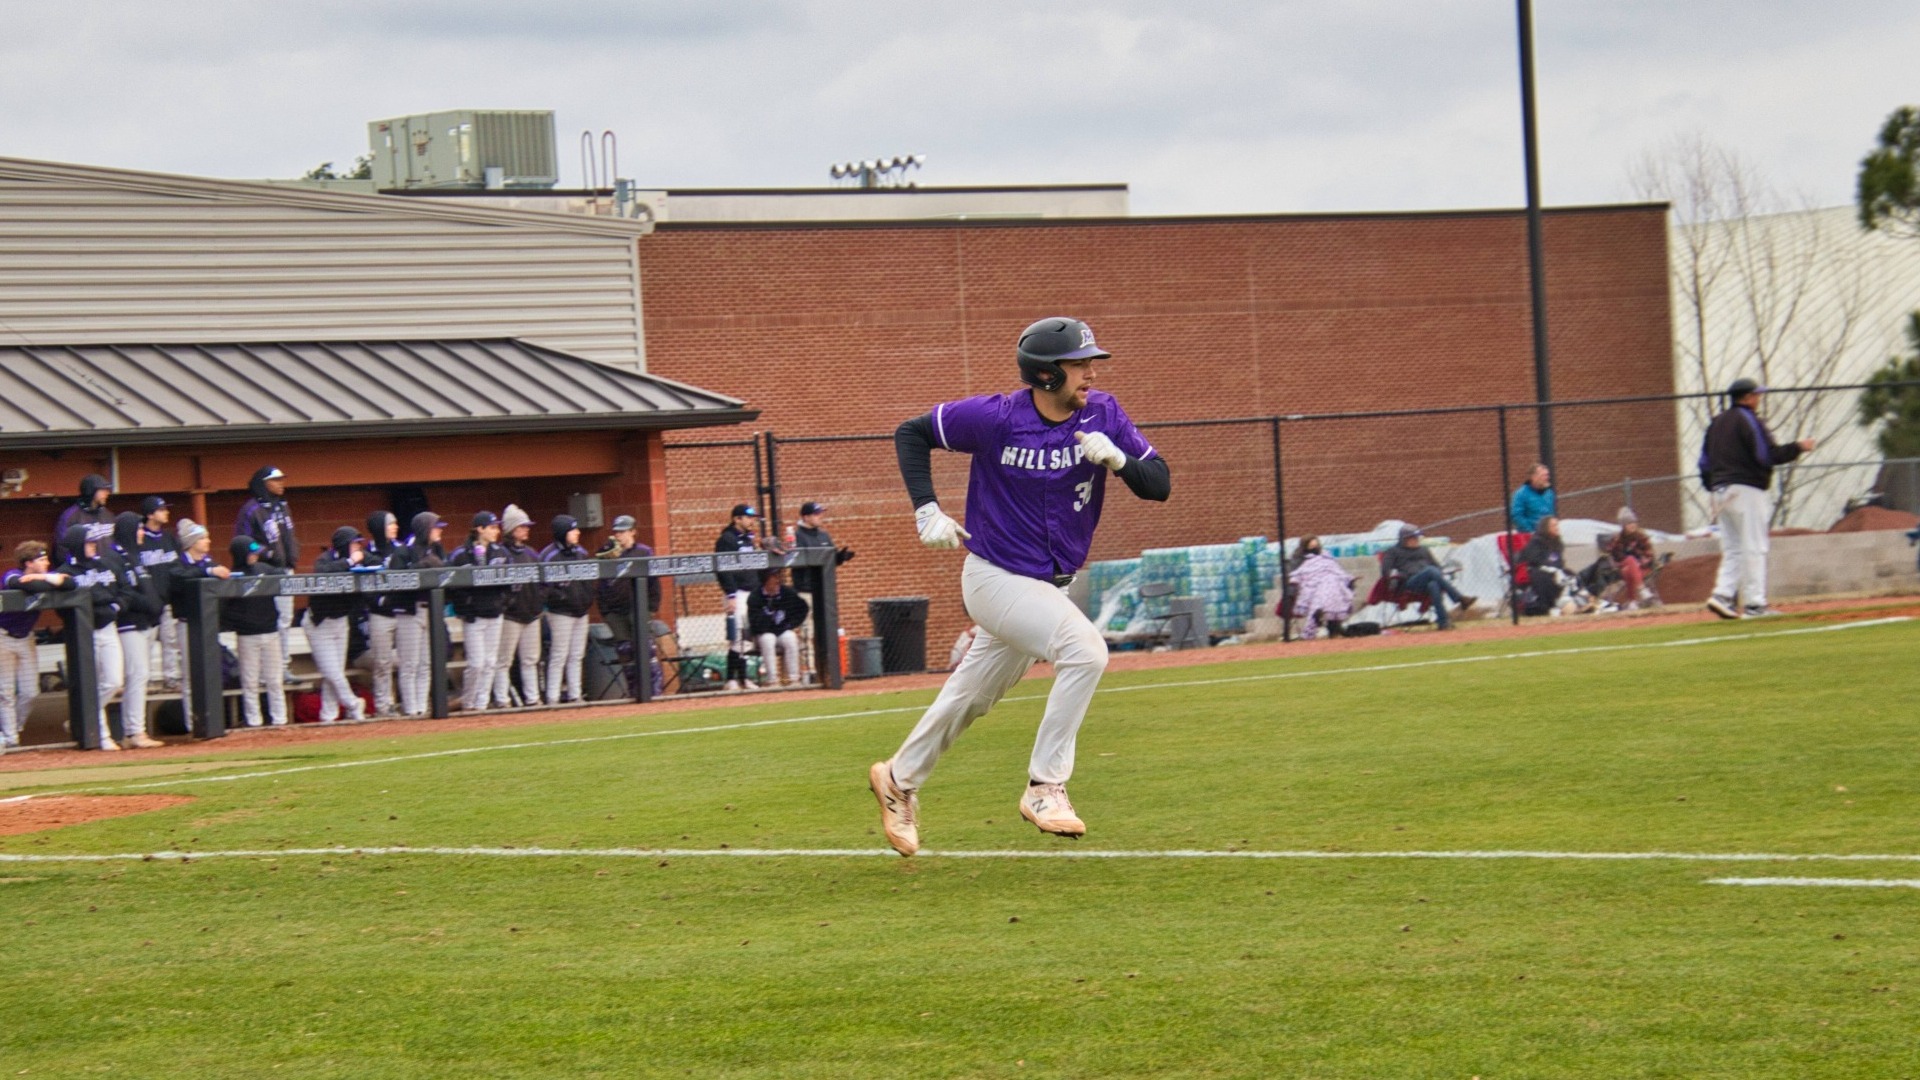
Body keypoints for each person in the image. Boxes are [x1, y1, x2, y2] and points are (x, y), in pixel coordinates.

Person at [869, 315, 1171, 857]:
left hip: (1048, 588)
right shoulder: (997, 417)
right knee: (1086, 652)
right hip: (994, 577)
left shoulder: (1103, 413)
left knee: (971, 698)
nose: (1091, 374)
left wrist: (1120, 460)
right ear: (1046, 373)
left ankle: (898, 779)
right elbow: (911, 432)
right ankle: (1045, 786)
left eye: (1091, 364)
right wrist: (926, 509)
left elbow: (1160, 485)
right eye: (1079, 364)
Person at [1700, 378, 1815, 619]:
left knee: (1733, 547)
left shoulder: (1716, 423)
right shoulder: (1749, 419)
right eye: (1756, 394)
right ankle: (1754, 605)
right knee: (1755, 546)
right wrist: (1798, 447)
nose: (1758, 398)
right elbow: (1766, 455)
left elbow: (1704, 463)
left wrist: (1713, 486)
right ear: (1747, 397)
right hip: (1747, 489)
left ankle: (1722, 595)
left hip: (1721, 491)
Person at [60, 524, 129, 749]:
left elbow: (121, 591)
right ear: (77, 545)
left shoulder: (104, 565)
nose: (92, 546)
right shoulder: (67, 571)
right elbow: (74, 602)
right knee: (93, 683)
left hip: (108, 628)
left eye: (93, 542)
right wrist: (102, 600)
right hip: (84, 632)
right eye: (88, 542)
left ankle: (80, 718)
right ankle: (102, 736)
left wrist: (116, 606)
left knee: (114, 681)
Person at [1, 541, 72, 750]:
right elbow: (20, 584)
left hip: (26, 638)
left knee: (31, 692)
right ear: (28, 563)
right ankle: (10, 737)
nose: (47, 563)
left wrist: (41, 577)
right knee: (5, 691)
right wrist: (50, 580)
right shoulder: (11, 574)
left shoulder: (43, 576)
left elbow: (71, 584)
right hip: (3, 637)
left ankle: (14, 727)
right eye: (41, 560)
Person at [110, 511, 167, 748]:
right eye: (139, 528)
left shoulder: (136, 555)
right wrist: (148, 605)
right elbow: (124, 592)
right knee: (137, 674)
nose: (142, 532)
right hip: (128, 623)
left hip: (147, 623)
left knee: (140, 675)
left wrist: (155, 607)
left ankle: (130, 731)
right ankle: (136, 732)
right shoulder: (115, 556)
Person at [167, 519, 230, 728]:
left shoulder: (209, 561)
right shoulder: (178, 563)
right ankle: (192, 724)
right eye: (203, 538)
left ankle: (214, 720)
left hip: (208, 624)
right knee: (190, 676)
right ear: (192, 542)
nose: (207, 541)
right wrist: (209, 572)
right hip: (187, 624)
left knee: (212, 673)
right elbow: (180, 578)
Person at [234, 466, 300, 664]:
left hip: (285, 569)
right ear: (264, 483)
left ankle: (283, 663)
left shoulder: (282, 506)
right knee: (269, 619)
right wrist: (265, 552)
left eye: (282, 479)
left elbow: (289, 536)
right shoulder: (251, 509)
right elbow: (243, 540)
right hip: (263, 572)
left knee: (285, 618)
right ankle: (271, 664)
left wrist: (293, 553)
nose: (281, 483)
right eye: (276, 480)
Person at [449, 511, 510, 711]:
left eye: (496, 527)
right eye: (491, 527)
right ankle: (468, 702)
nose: (496, 531)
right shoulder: (461, 554)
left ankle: (482, 703)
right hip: (473, 616)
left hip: (495, 612)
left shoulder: (501, 552)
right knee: (476, 663)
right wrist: (465, 606)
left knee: (490, 662)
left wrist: (502, 602)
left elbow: (511, 581)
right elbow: (451, 585)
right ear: (480, 529)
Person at [223, 536, 287, 728]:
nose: (254, 556)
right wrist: (240, 622)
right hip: (247, 635)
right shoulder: (233, 576)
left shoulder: (264, 569)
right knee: (250, 681)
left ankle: (280, 719)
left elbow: (281, 572)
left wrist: (272, 557)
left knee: (274, 680)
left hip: (270, 631)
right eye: (251, 553)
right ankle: (254, 721)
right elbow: (227, 609)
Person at [308, 526, 369, 724]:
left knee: (335, 673)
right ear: (344, 544)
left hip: (341, 622)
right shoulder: (326, 559)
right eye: (354, 543)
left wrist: (361, 562)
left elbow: (377, 562)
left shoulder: (360, 558)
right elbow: (322, 572)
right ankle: (353, 703)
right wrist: (349, 562)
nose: (358, 547)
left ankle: (328, 716)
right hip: (319, 622)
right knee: (331, 671)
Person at [361, 511, 412, 718]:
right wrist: (379, 601)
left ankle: (411, 704)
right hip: (379, 614)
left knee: (408, 661)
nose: (395, 527)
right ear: (379, 528)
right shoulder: (367, 552)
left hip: (402, 613)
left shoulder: (401, 549)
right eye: (391, 524)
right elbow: (363, 585)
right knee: (382, 663)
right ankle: (384, 705)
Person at [493, 504, 545, 708]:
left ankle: (533, 698)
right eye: (522, 526)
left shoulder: (532, 553)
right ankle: (502, 699)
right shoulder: (501, 553)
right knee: (504, 660)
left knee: (530, 659)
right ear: (512, 529)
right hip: (510, 616)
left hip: (532, 614)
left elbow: (543, 582)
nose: (526, 529)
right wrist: (507, 603)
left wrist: (539, 601)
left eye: (526, 526)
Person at [541, 514, 595, 705]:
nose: (577, 532)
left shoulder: (581, 552)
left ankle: (575, 694)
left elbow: (589, 580)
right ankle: (553, 697)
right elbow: (543, 587)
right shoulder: (549, 555)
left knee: (577, 655)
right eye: (573, 530)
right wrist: (560, 598)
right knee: (559, 655)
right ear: (563, 532)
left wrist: (587, 600)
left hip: (581, 611)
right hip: (560, 612)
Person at [1380, 525, 1475, 629]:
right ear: (1404, 539)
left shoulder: (1423, 550)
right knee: (1430, 570)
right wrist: (1394, 578)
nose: (1417, 540)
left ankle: (1443, 622)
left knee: (1433, 585)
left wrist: (1439, 574)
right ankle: (1459, 598)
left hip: (1426, 582)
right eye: (1413, 538)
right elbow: (1385, 570)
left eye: (1417, 537)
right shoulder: (1393, 551)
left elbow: (1437, 566)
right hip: (1409, 583)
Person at [399, 512, 447, 716]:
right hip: (410, 611)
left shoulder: (437, 549)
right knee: (410, 663)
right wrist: (422, 565)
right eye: (436, 527)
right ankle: (411, 709)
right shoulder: (405, 550)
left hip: (432, 609)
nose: (439, 531)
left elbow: (447, 574)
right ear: (424, 529)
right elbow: (396, 580)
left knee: (427, 663)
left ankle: (421, 707)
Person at [136, 496, 184, 689]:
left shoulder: (169, 538)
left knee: (170, 640)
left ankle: (170, 677)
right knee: (146, 641)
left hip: (167, 599)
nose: (166, 512)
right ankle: (145, 679)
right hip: (148, 601)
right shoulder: (139, 539)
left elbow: (178, 565)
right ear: (150, 514)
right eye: (161, 509)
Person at [714, 503, 762, 691]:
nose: (751, 521)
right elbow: (723, 569)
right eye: (748, 518)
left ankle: (743, 678)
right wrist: (730, 594)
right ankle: (731, 679)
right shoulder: (727, 539)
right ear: (737, 519)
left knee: (746, 639)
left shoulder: (748, 539)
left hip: (751, 592)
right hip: (737, 593)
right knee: (737, 637)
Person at [1514, 516, 1590, 616]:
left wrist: (1558, 569)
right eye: (1553, 526)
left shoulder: (1557, 543)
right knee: (1549, 577)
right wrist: (1552, 567)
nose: (1557, 528)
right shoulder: (1536, 542)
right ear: (1546, 528)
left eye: (1557, 525)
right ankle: (1553, 606)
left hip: (1554, 570)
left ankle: (1582, 601)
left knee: (1570, 574)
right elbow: (1535, 560)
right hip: (1537, 571)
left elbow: (1559, 562)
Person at [747, 568, 810, 687]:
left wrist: (790, 624)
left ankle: (794, 679)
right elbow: (755, 623)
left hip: (781, 630)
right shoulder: (755, 596)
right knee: (768, 639)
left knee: (790, 637)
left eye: (778, 576)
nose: (777, 580)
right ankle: (772, 680)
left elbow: (803, 608)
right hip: (763, 632)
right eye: (774, 577)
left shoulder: (786, 592)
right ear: (766, 581)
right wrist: (768, 616)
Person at [1285, 536, 1354, 640]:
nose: (1315, 548)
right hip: (1311, 586)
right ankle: (1316, 621)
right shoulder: (1300, 559)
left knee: (1332, 586)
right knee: (1322, 592)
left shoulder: (1326, 557)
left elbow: (1336, 569)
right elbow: (1296, 575)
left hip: (1331, 584)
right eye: (1311, 546)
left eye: (1316, 546)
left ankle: (1333, 627)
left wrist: (1347, 579)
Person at [789, 501, 854, 598]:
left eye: (821, 513)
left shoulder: (824, 535)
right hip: (806, 591)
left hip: (825, 589)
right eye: (816, 514)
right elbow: (797, 561)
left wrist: (840, 557)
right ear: (806, 517)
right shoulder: (797, 536)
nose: (820, 516)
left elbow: (830, 559)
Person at [52, 473, 115, 563]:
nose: (107, 493)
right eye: (103, 490)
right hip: (84, 569)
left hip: (108, 568)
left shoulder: (107, 515)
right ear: (90, 491)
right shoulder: (71, 516)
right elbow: (62, 549)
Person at [1604, 507, 1659, 610]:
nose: (1632, 525)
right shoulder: (1618, 539)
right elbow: (1616, 556)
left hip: (1642, 568)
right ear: (1623, 526)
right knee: (1629, 560)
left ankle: (1632, 602)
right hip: (1623, 567)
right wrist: (1631, 563)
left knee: (1629, 571)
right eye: (1629, 523)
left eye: (1634, 522)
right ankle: (1641, 589)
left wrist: (1640, 563)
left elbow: (1649, 554)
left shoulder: (1641, 537)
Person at [1509, 463, 1556, 533]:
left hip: (1547, 533)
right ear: (1533, 477)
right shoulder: (1521, 494)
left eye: (1547, 475)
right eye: (1543, 476)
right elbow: (1517, 516)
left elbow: (1551, 513)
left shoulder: (1549, 493)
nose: (1547, 478)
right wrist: (1530, 531)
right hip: (1530, 534)